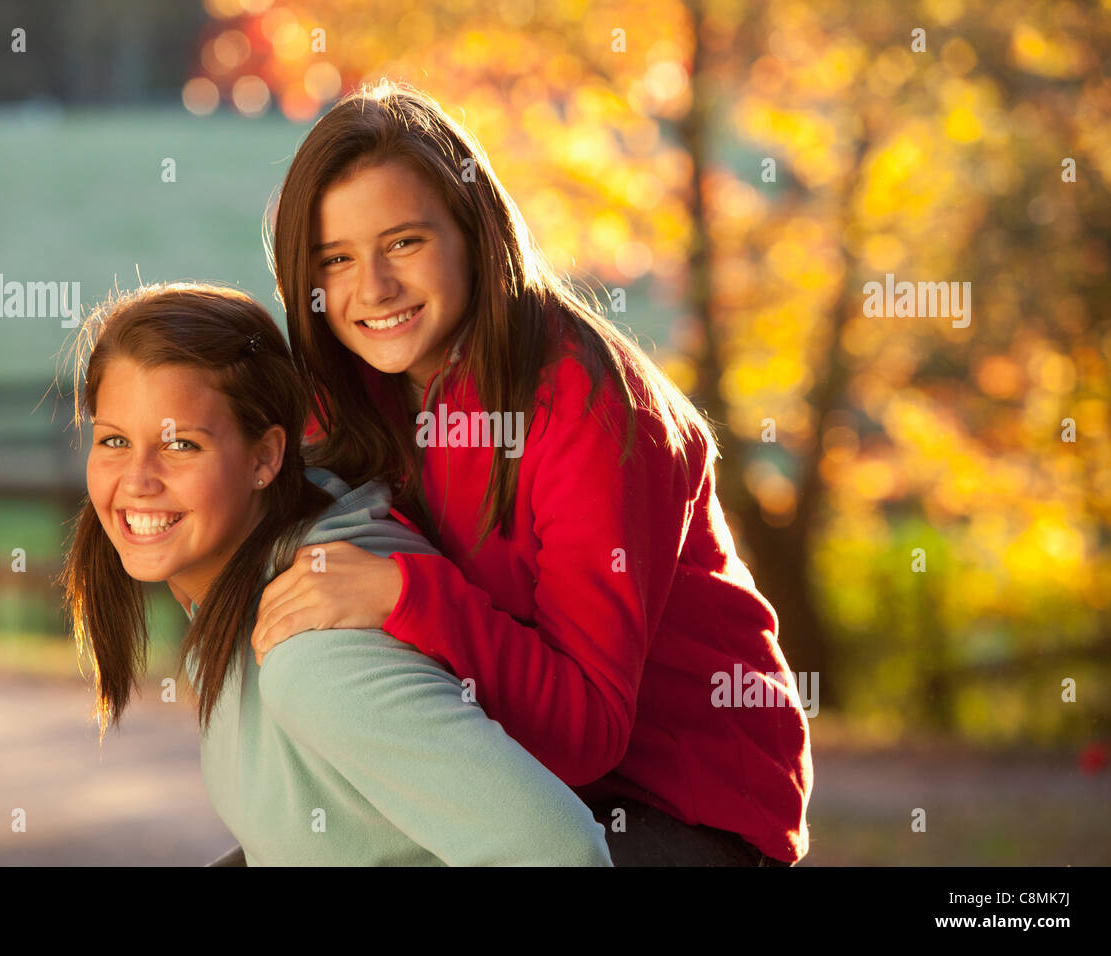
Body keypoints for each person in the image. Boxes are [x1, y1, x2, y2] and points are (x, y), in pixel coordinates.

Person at [250, 80, 812, 866]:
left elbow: (588, 732)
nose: (372, 289)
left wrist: (401, 594)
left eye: (404, 243)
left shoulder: (586, 404)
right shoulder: (348, 396)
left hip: (673, 807)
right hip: (497, 778)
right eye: (336, 259)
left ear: (472, 235)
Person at [57, 281, 612, 866]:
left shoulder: (318, 659)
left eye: (181, 446)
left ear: (265, 459)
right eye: (114, 440)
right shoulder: (246, 589)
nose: (138, 479)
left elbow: (559, 852)